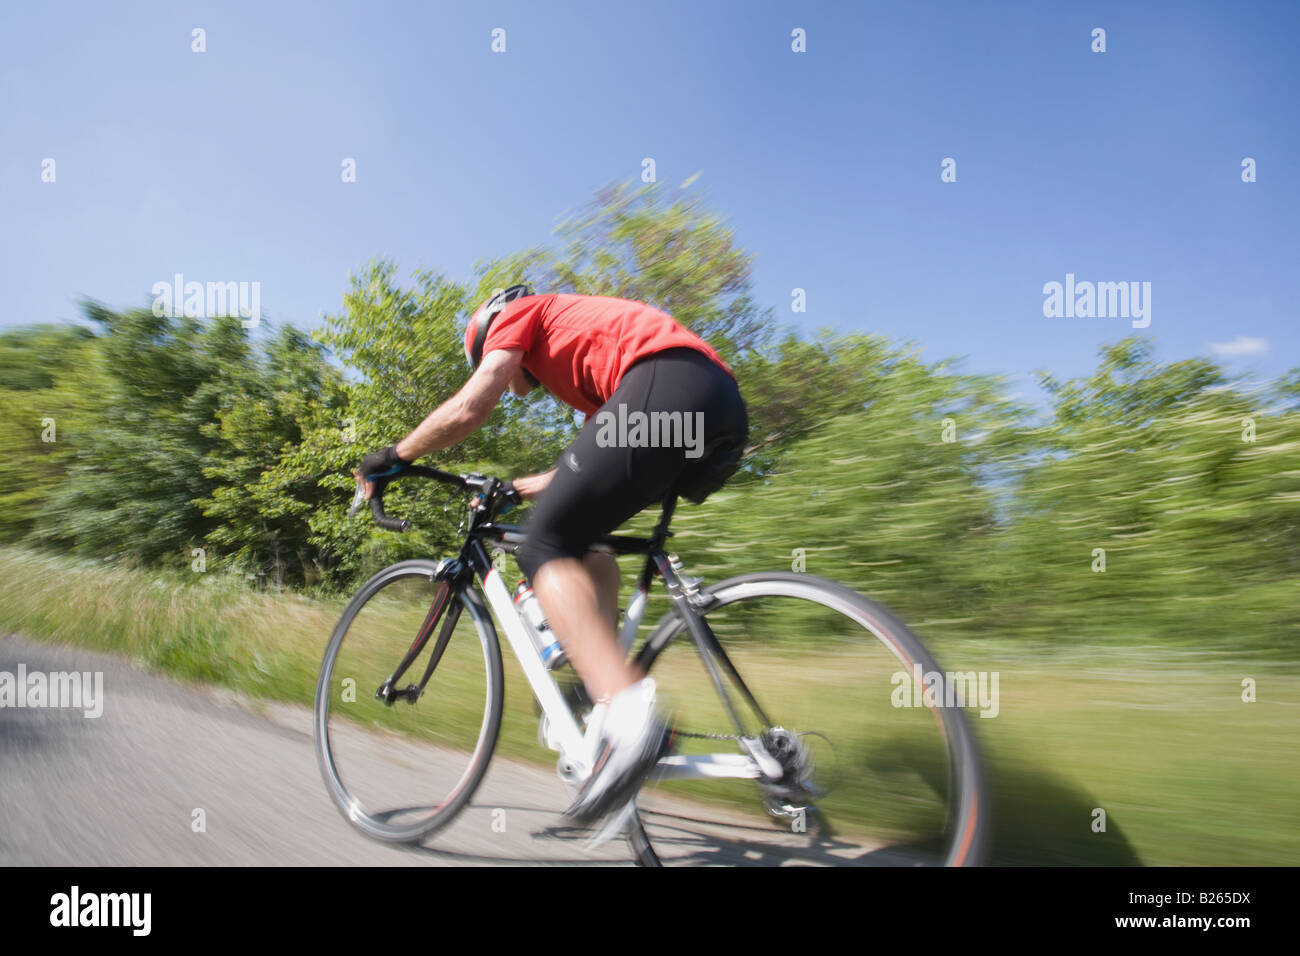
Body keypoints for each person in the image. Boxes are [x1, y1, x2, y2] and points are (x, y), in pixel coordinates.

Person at [354, 285, 748, 825]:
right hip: (713, 405)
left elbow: (473, 404)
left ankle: (631, 716)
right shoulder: (589, 364)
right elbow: (580, 470)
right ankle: (602, 691)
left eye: (487, 354)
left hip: (669, 384)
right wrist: (516, 487)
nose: (512, 378)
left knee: (543, 544)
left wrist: (393, 457)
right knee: (587, 540)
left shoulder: (521, 314)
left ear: (491, 331)